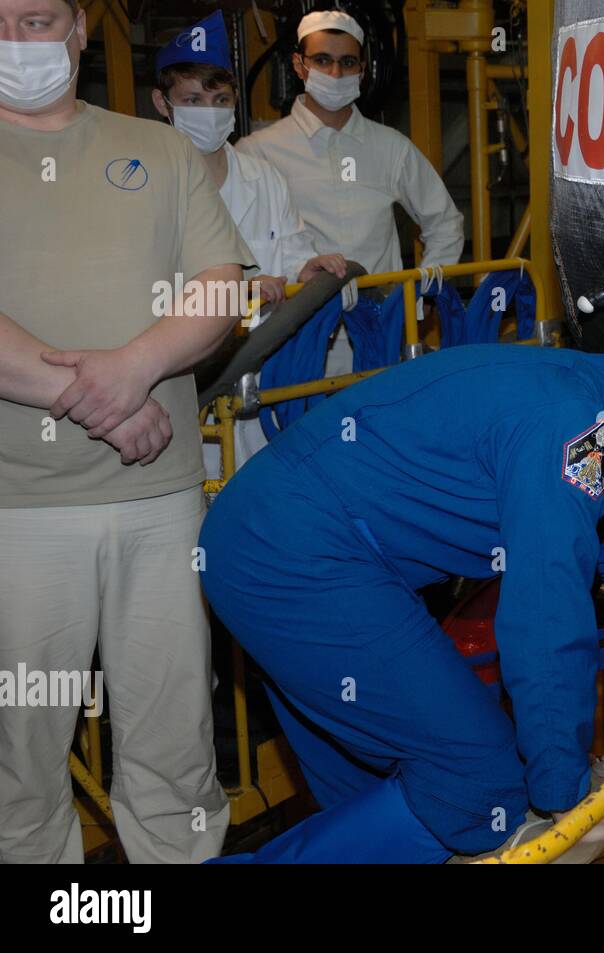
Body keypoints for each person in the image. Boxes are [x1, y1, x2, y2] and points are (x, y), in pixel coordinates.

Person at [199, 347, 604, 862]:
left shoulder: (597, 412)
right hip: (295, 558)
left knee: (372, 808)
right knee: (477, 782)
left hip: (271, 540)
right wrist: (569, 797)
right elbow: (547, 617)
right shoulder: (575, 425)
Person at [0, 0, 254, 862]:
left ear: (76, 30)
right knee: (20, 764)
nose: (15, 44)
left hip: (161, 504)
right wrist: (104, 395)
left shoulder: (158, 149)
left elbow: (223, 285)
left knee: (176, 747)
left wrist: (135, 365)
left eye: (34, 21)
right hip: (17, 511)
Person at [150, 11, 348, 473]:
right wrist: (234, 295)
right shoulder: (146, 185)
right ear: (163, 103)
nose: (210, 111)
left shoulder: (262, 178)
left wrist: (308, 266)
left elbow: (291, 245)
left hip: (265, 387)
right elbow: (146, 287)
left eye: (220, 98)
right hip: (184, 387)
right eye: (193, 99)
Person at [238, 10, 464, 376]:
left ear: (362, 69)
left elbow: (445, 223)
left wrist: (416, 300)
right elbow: (235, 247)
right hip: (294, 340)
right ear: (298, 65)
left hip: (381, 336)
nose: (335, 74)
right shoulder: (258, 152)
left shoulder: (391, 149)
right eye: (322, 60)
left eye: (347, 62)